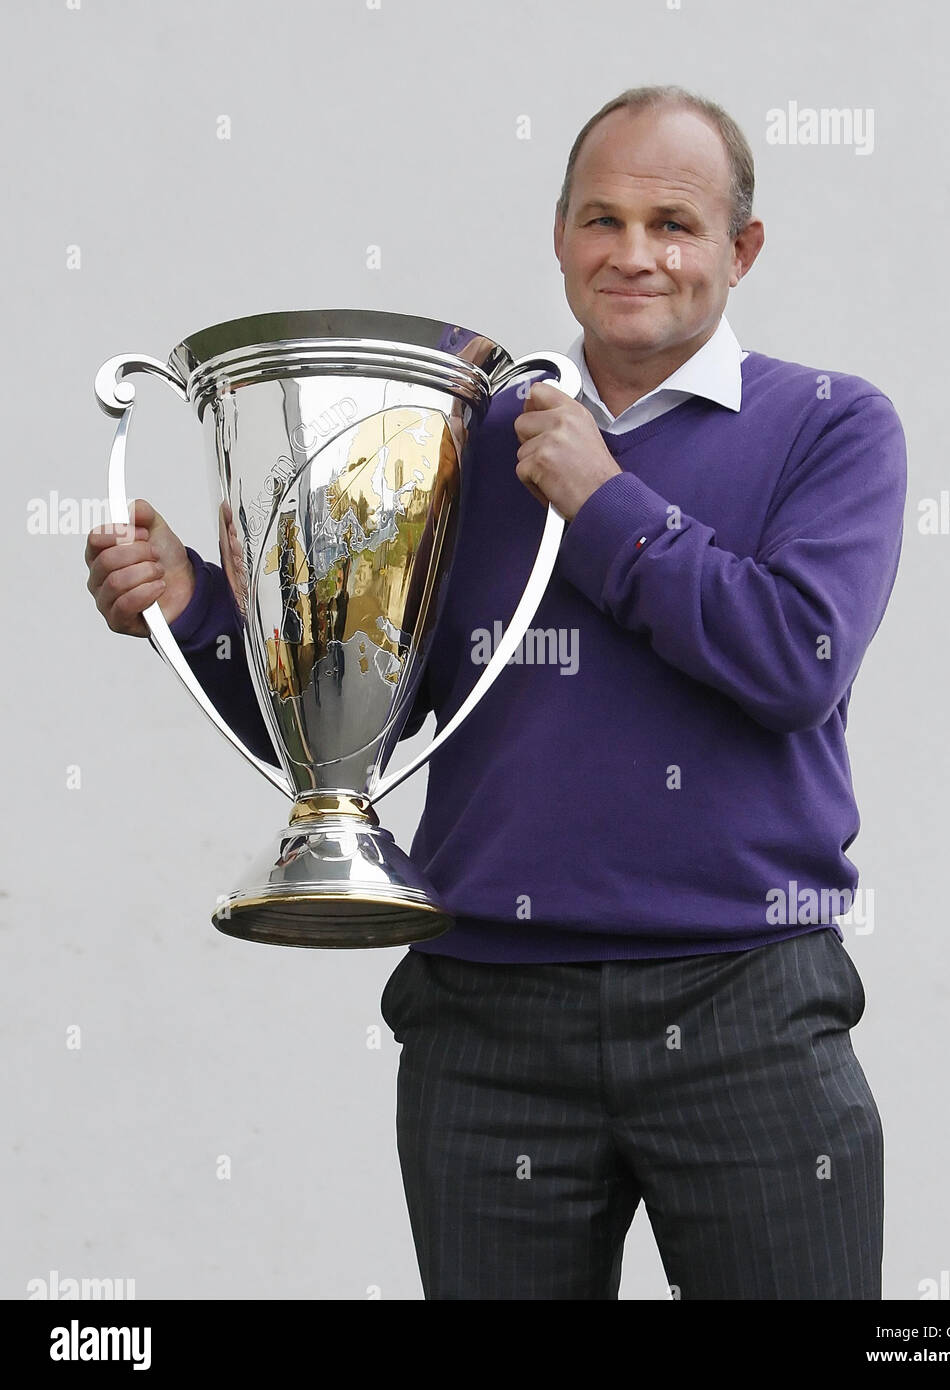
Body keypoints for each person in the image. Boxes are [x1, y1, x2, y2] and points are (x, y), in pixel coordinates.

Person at [85, 84, 907, 1300]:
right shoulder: (458, 437)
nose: (634, 253)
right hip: (486, 1019)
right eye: (601, 219)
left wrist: (600, 496)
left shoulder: (831, 427)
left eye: (673, 224)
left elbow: (795, 660)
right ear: (560, 236)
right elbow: (357, 706)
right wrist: (197, 606)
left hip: (746, 1006)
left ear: (741, 252)